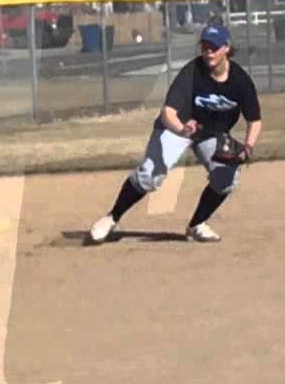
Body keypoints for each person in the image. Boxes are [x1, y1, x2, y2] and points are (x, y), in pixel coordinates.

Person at [88, 23, 262, 243]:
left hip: (210, 134)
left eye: (214, 47)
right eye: (205, 46)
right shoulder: (192, 72)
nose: (208, 52)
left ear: (226, 48)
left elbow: (254, 120)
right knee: (150, 176)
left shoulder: (240, 81)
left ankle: (197, 224)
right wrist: (182, 129)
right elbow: (167, 113)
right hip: (177, 127)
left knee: (226, 177)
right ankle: (111, 218)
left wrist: (248, 147)